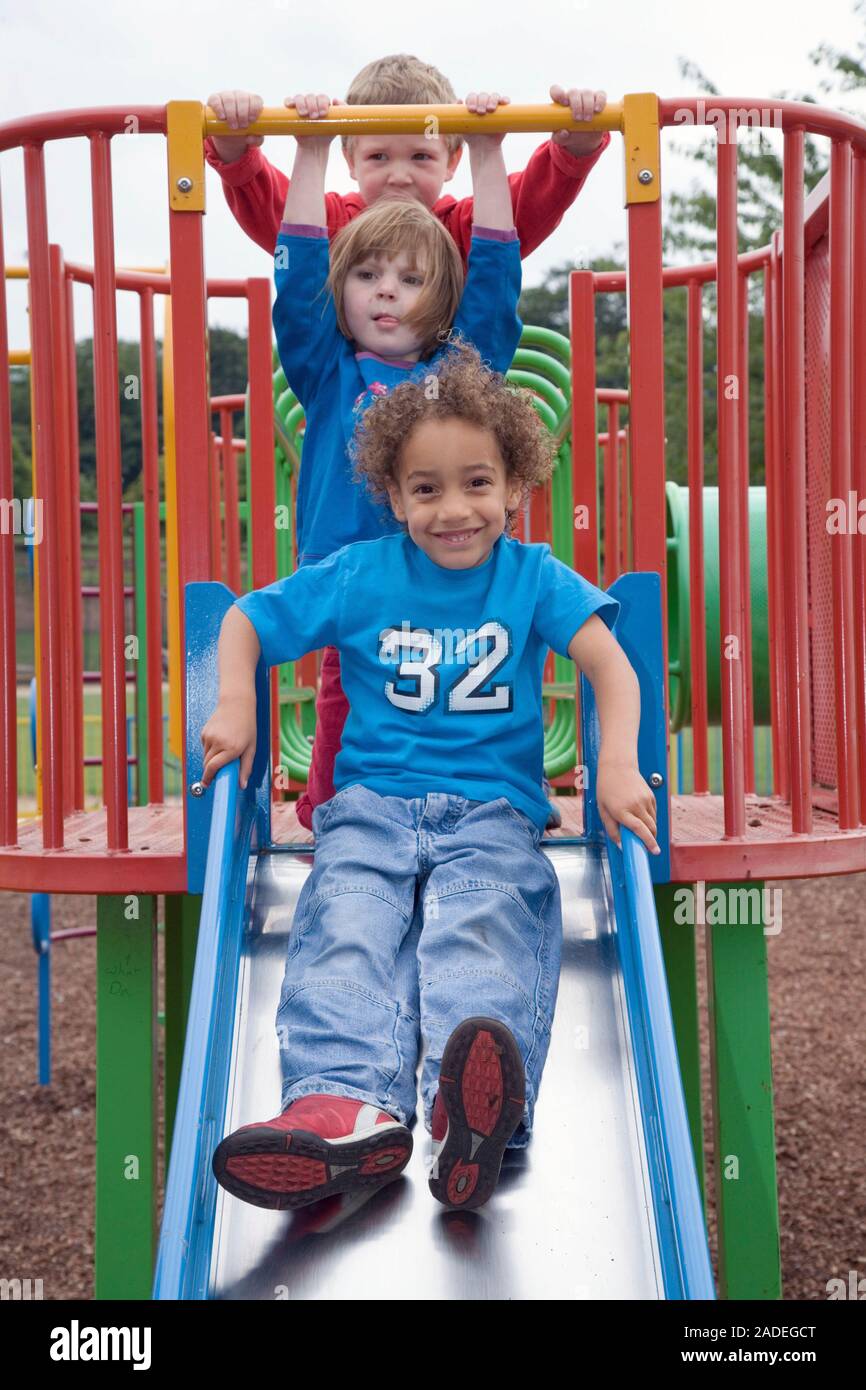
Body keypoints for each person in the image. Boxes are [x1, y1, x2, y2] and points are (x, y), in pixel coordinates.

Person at [200, 340, 660, 1214]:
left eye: (478, 482)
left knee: (483, 926)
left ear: (515, 485)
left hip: (494, 812)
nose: (455, 509)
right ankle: (345, 1107)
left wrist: (619, 766)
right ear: (394, 496)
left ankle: (468, 1113)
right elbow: (249, 618)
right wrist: (235, 704)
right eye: (426, 489)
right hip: (370, 809)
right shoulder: (364, 574)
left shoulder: (532, 577)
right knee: (347, 923)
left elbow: (612, 666)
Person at [206, 56, 610, 830]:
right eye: (365, 276)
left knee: (479, 669)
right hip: (350, 556)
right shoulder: (327, 365)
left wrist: (492, 151)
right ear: (340, 286)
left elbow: (494, 275)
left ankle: (504, 795)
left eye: (411, 280)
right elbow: (296, 286)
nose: (387, 289)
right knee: (344, 683)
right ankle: (333, 809)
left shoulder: (459, 369)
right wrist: (305, 146)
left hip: (448, 553)